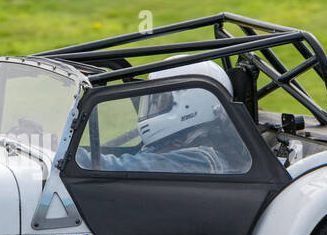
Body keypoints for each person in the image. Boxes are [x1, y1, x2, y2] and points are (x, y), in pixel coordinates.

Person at [76, 59, 251, 174]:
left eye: (160, 101)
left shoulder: (200, 160)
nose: (154, 107)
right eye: (152, 101)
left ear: (191, 104)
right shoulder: (177, 145)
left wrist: (56, 153)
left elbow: (117, 169)